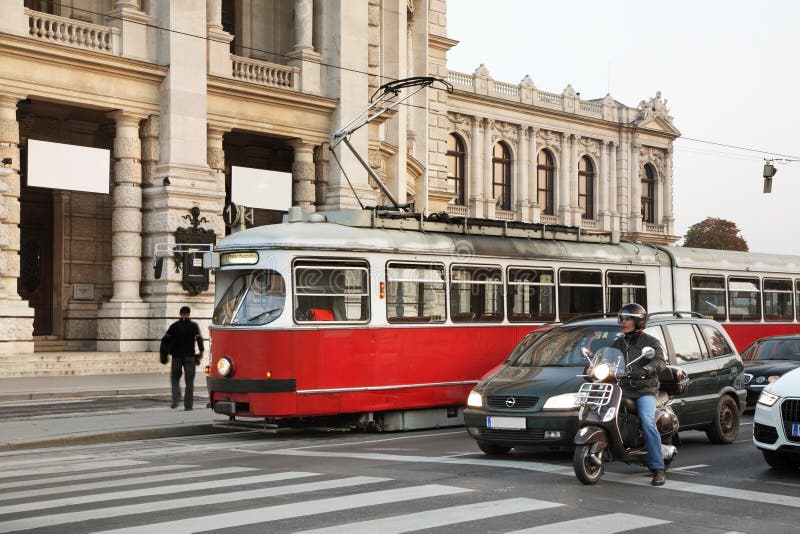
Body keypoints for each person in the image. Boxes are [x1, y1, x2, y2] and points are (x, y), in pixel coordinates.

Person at [611, 303, 668, 486]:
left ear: (638, 321)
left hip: (644, 390)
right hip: (623, 389)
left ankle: (658, 468)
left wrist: (646, 369)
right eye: (622, 318)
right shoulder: (618, 344)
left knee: (647, 420)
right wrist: (592, 368)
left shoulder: (650, 343)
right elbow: (607, 359)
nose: (623, 322)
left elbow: (660, 362)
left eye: (628, 319)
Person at [164, 306, 204, 410]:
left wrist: (167, 352)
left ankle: (175, 399)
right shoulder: (194, 326)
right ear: (189, 314)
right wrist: (201, 351)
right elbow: (199, 339)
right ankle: (188, 405)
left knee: (175, 378)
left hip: (176, 357)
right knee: (189, 381)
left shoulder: (174, 326)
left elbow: (166, 340)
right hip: (190, 357)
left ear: (180, 314)